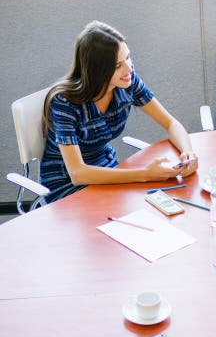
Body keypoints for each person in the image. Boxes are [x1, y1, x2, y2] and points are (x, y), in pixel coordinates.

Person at [41, 21, 198, 203]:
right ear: (96, 70)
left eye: (128, 58)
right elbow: (78, 173)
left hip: (108, 169)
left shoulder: (128, 82)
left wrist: (188, 153)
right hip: (66, 183)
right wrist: (145, 174)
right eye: (117, 65)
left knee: (156, 204)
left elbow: (171, 124)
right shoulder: (65, 102)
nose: (129, 68)